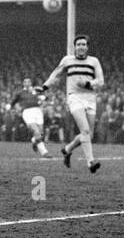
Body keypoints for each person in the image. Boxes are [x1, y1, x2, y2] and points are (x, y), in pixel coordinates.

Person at [38, 34, 105, 172]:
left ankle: (67, 149)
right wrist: (44, 86)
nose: (81, 47)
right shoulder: (67, 60)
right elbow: (56, 74)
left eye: (83, 44)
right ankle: (90, 162)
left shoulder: (94, 61)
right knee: (85, 130)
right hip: (74, 97)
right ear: (74, 47)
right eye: (78, 44)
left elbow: (101, 81)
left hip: (90, 98)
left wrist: (87, 83)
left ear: (87, 47)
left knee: (88, 135)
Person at [10, 78, 50, 157]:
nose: (27, 83)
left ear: (31, 83)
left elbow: (46, 98)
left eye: (28, 81)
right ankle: (44, 152)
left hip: (38, 111)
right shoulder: (20, 93)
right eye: (25, 81)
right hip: (27, 112)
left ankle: (34, 141)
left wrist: (43, 99)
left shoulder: (36, 90)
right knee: (36, 131)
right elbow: (12, 103)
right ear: (23, 83)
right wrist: (15, 108)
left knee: (41, 134)